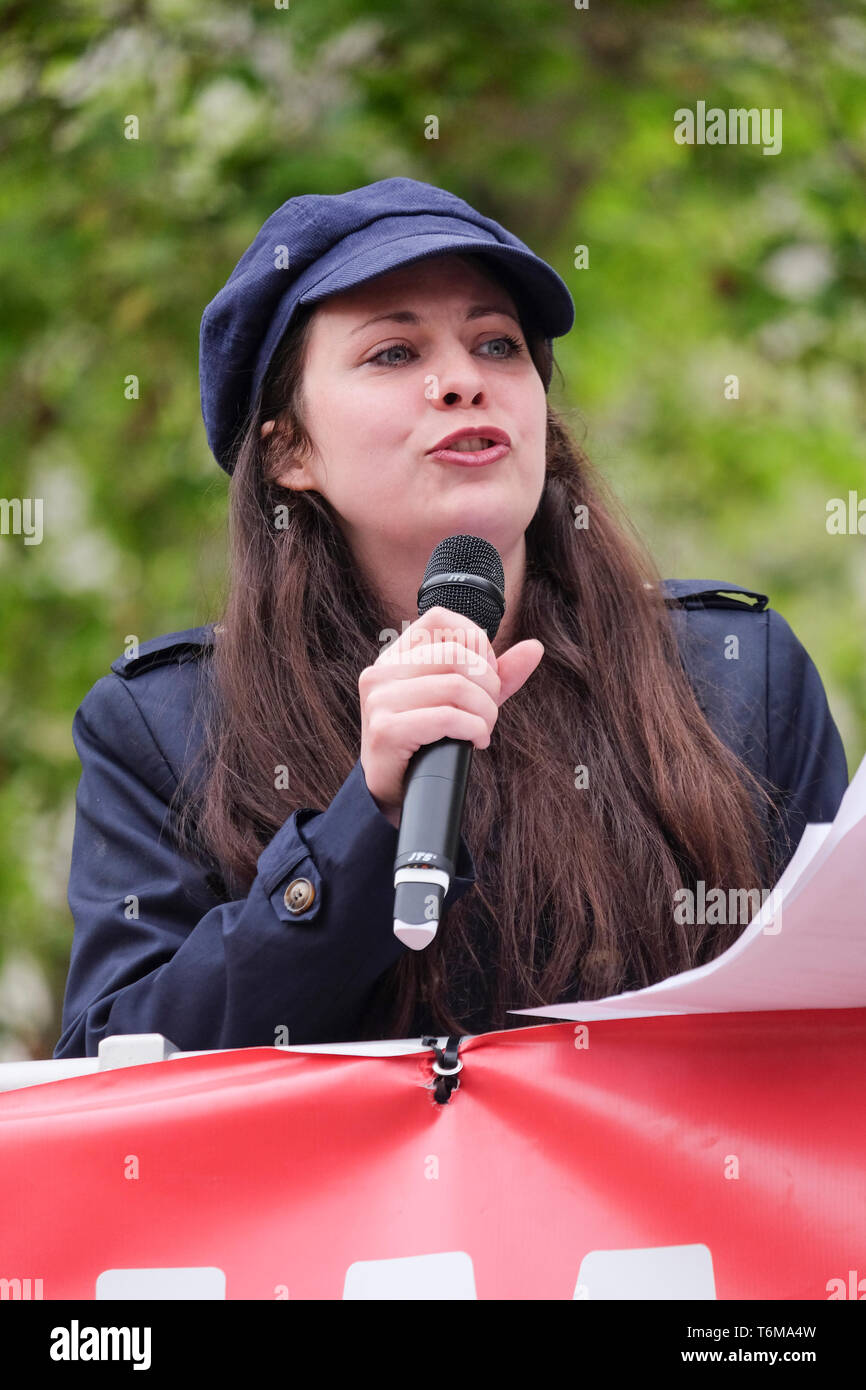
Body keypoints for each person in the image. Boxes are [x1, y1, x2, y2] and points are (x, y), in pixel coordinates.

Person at [54, 177, 849, 1059]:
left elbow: (828, 1035)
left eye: (498, 344)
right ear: (287, 448)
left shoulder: (737, 672)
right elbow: (113, 1078)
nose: (464, 381)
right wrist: (367, 824)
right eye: (394, 352)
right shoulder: (163, 727)